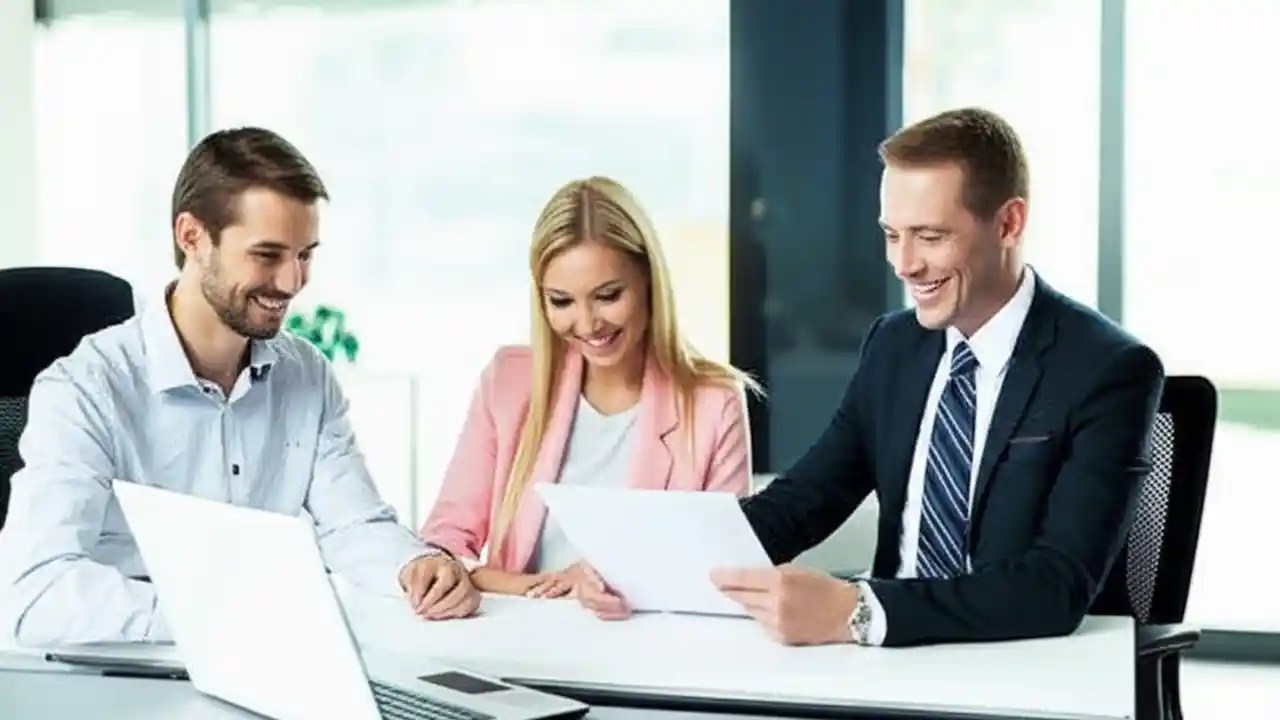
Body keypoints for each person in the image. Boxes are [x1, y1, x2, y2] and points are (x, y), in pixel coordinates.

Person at [592, 108, 1166, 645]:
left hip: (1015, 664)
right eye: (892, 235)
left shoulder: (1106, 369)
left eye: (930, 236)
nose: (904, 264)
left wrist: (858, 613)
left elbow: (1054, 588)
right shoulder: (895, 346)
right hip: (886, 666)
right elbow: (804, 500)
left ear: (1009, 223)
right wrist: (642, 566)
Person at [0, 128, 477, 645]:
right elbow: (36, 593)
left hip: (261, 655)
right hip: (128, 661)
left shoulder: (305, 374)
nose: (292, 282)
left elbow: (352, 525)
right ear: (191, 237)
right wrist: (224, 619)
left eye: (305, 255)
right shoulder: (86, 388)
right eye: (267, 255)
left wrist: (415, 564)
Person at [419, 176, 759, 601]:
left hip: (647, 640)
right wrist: (548, 588)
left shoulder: (713, 403)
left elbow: (723, 578)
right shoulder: (508, 381)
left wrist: (617, 581)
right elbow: (444, 546)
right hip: (519, 631)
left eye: (608, 296)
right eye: (561, 301)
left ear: (648, 281)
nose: (587, 324)